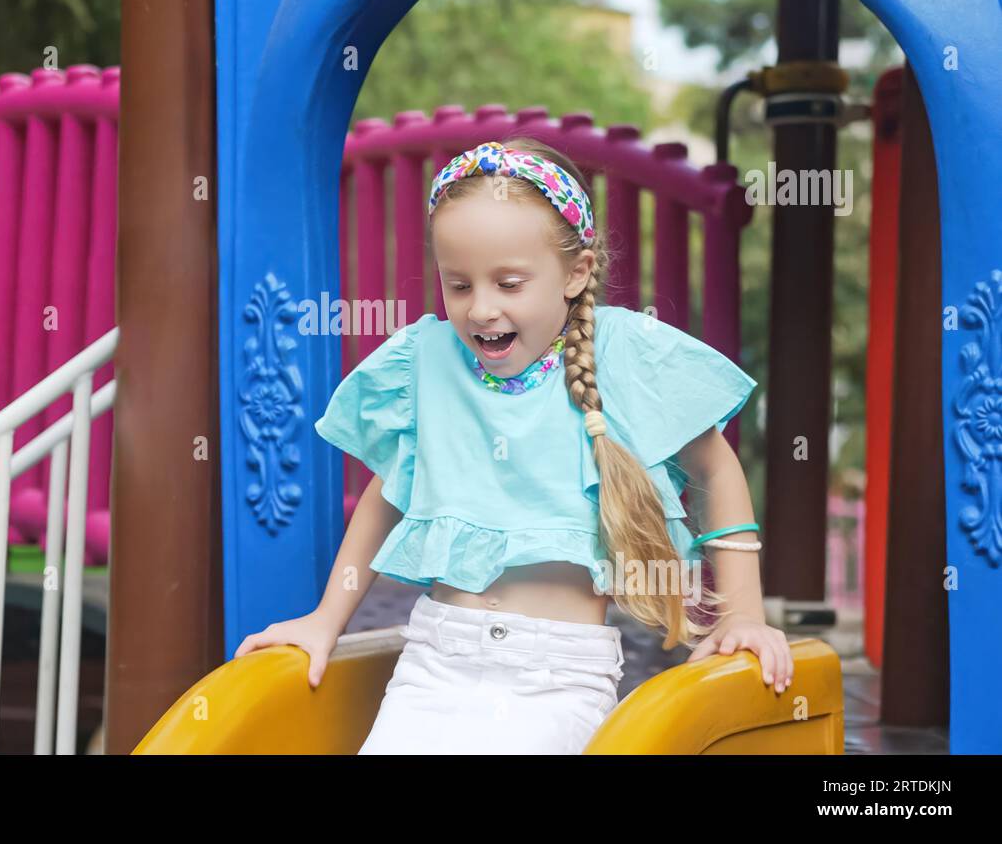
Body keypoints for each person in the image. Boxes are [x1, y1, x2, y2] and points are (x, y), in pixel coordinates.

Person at [234, 137, 793, 754]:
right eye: (459, 285)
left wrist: (743, 614)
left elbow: (714, 466)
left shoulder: (624, 354)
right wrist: (325, 621)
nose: (481, 308)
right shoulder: (426, 361)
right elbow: (387, 499)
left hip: (557, 678)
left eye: (508, 283)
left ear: (576, 273)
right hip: (432, 662)